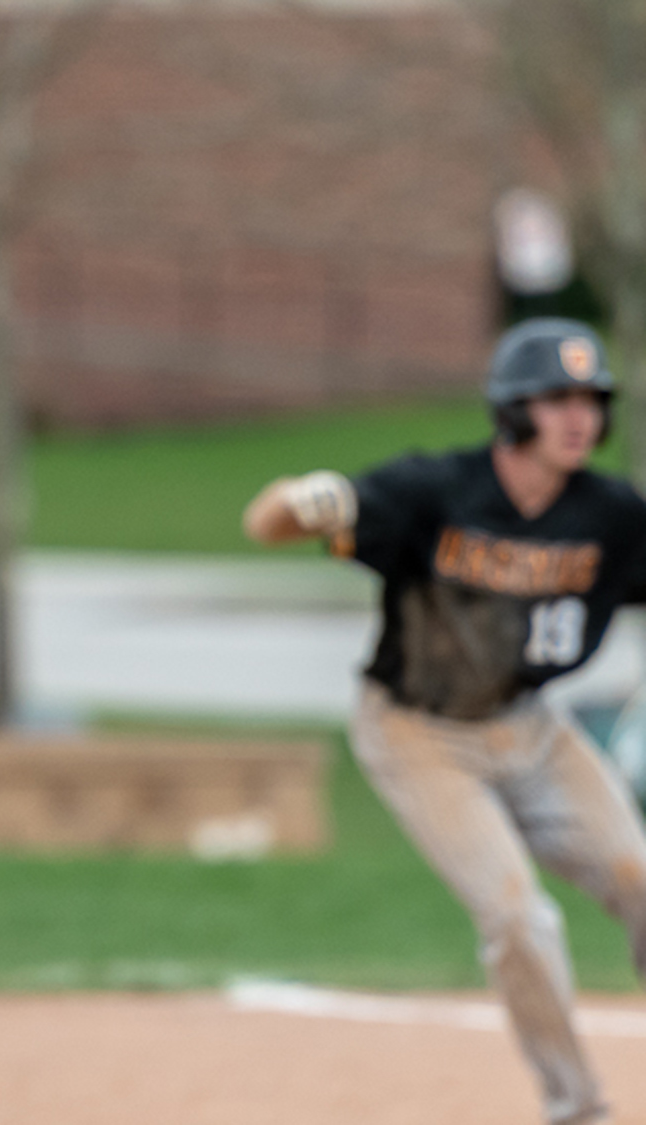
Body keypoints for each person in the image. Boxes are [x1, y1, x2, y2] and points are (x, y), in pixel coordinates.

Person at [243, 317, 646, 1125]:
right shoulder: (434, 492)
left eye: (591, 399)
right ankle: (577, 1109)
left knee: (640, 877)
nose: (579, 417)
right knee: (517, 915)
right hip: (419, 735)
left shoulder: (609, 515)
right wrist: (301, 499)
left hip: (530, 728)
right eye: (557, 398)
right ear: (512, 409)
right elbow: (266, 521)